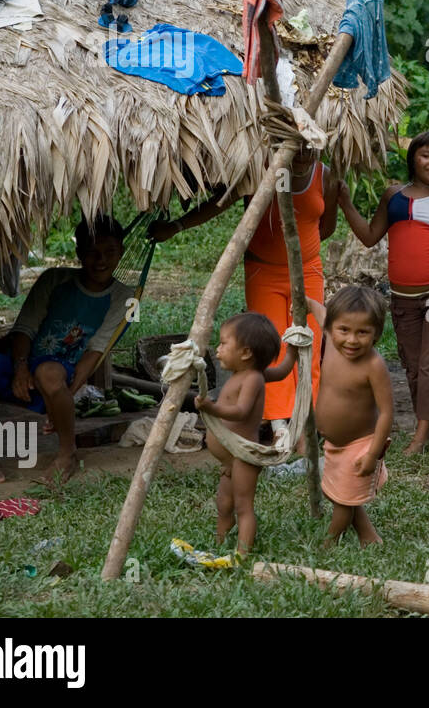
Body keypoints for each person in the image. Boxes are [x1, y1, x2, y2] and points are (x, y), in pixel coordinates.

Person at [151, 146, 343, 438]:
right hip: (263, 271)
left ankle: (308, 416)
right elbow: (219, 203)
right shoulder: (259, 168)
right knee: (272, 344)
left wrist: (298, 246)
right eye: (298, 148)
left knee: (309, 343)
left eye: (311, 148)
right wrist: (177, 226)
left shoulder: (325, 177)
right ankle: (278, 422)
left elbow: (325, 227)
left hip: (308, 272)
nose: (305, 154)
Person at [0, 217, 131, 482]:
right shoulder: (55, 279)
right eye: (92, 252)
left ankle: (67, 453)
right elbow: (24, 328)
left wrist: (67, 395)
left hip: (62, 369)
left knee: (48, 372)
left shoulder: (126, 298)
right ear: (79, 252)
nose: (101, 260)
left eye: (110, 252)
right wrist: (20, 368)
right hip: (23, 360)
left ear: (122, 252)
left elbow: (96, 350)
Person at [339, 132, 429, 455]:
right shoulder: (393, 196)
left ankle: (420, 437)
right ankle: (427, 427)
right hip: (402, 298)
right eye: (426, 155)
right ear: (413, 160)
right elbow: (370, 237)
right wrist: (345, 202)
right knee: (412, 362)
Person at [271, 286, 393, 547]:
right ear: (332, 328)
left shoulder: (373, 366)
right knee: (340, 494)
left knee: (343, 502)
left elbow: (386, 413)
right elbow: (324, 315)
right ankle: (369, 537)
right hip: (334, 445)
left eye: (363, 332)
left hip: (360, 446)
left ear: (376, 333)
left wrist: (373, 453)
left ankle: (329, 543)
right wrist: (308, 302)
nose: (352, 340)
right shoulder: (332, 341)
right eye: (344, 330)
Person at [196, 312, 281, 554]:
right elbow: (283, 371)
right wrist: (294, 352)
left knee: (243, 506)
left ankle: (242, 554)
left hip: (243, 456)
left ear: (245, 353)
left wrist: (212, 408)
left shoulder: (253, 379)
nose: (217, 349)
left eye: (223, 343)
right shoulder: (241, 375)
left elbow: (241, 411)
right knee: (224, 504)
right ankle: (220, 542)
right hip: (229, 459)